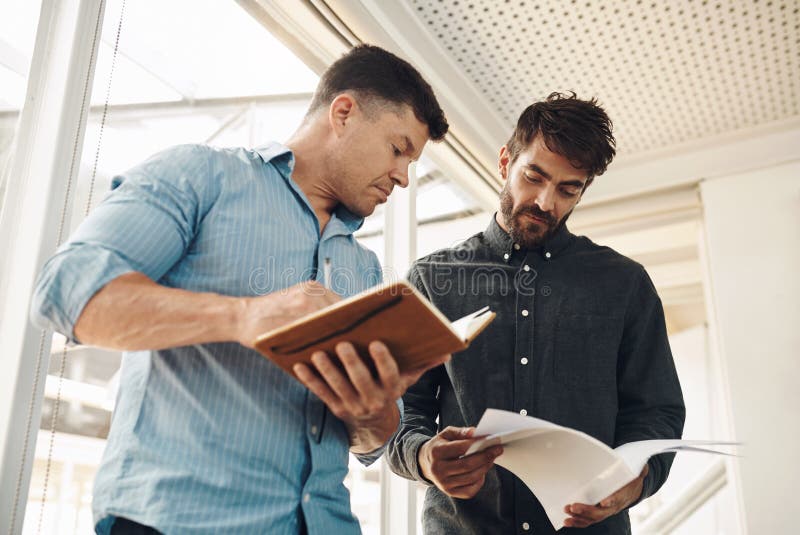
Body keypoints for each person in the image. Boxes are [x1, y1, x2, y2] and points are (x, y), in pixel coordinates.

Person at [31, 44, 450, 535]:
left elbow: (371, 443)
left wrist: (372, 412)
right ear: (343, 114)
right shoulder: (203, 176)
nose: (403, 177)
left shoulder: (365, 270)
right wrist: (244, 317)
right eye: (398, 149)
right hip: (180, 523)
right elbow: (66, 290)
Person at [386, 92, 686, 534]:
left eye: (568, 189)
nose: (546, 202)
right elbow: (396, 409)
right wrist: (423, 457)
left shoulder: (625, 285)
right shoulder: (432, 279)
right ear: (505, 162)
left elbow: (656, 412)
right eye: (534, 177)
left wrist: (637, 480)